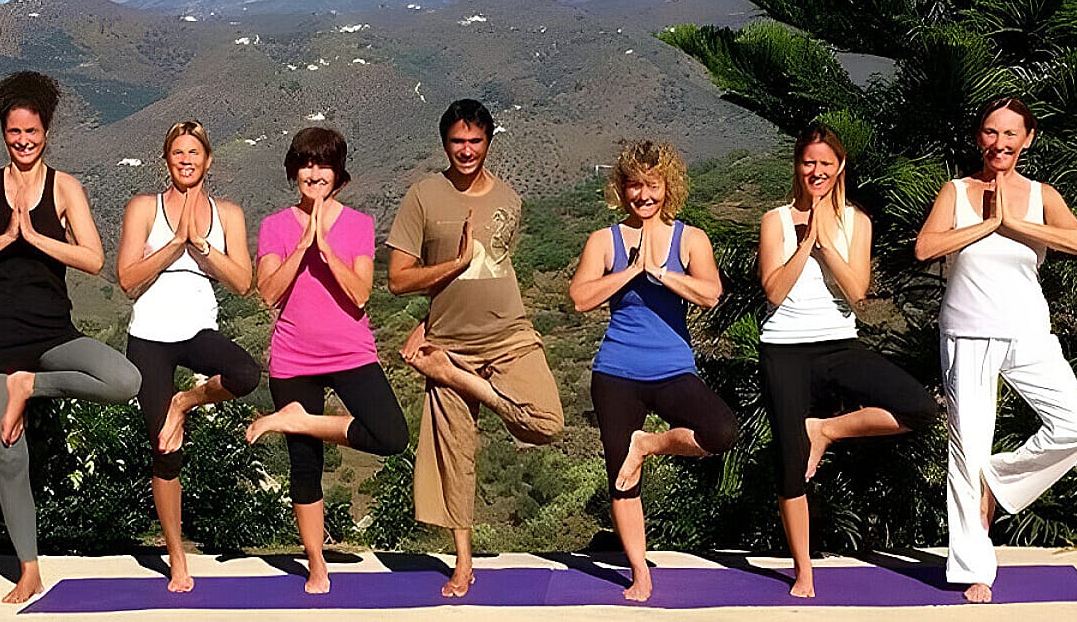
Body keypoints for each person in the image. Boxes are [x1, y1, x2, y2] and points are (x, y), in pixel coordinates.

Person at [0, 71, 141, 603]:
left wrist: (37, 237)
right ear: (3, 133)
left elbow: (93, 259)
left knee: (124, 379)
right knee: (10, 456)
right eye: (14, 133)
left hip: (52, 331)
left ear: (46, 131)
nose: (23, 141)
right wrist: (4, 237)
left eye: (31, 132)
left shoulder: (65, 188)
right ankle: (30, 568)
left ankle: (31, 385)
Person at [915, 97, 1077, 604]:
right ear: (980, 138)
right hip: (967, 331)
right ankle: (974, 567)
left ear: (1028, 139)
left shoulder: (1042, 194)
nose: (1000, 143)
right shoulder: (956, 191)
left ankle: (998, 482)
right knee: (967, 449)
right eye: (991, 133)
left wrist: (1013, 222)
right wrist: (987, 222)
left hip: (1027, 330)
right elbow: (925, 248)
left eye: (1010, 134)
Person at [386, 99, 564, 598]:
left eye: (475, 141)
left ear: (489, 141)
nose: (466, 150)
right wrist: (451, 270)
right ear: (445, 143)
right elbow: (398, 280)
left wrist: (431, 325)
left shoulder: (510, 198)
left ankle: (459, 378)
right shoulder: (423, 196)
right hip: (450, 342)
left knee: (547, 421)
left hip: (509, 333)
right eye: (457, 141)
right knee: (455, 457)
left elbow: (495, 270)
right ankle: (462, 562)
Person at [758, 123, 937, 598]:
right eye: (808, 162)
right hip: (785, 346)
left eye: (826, 163)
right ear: (798, 165)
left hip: (838, 342)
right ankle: (804, 571)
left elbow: (857, 292)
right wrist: (803, 243)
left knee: (919, 407)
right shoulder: (775, 220)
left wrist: (824, 242)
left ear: (840, 168)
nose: (816, 171)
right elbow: (774, 291)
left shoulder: (858, 222)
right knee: (791, 461)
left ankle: (828, 429)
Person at [568, 141, 737, 602]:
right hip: (616, 373)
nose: (643, 194)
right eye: (634, 185)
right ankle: (640, 570)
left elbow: (709, 293)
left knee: (720, 431)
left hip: (673, 369)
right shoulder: (605, 241)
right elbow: (580, 298)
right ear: (622, 190)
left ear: (668, 187)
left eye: (652, 185)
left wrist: (661, 273)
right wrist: (631, 271)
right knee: (621, 476)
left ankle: (648, 445)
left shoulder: (691, 238)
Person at [246, 127, 408, 594]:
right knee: (305, 464)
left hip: (351, 351)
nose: (314, 173)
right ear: (294, 170)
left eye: (323, 165)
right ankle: (316, 563)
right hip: (294, 357)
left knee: (392, 435)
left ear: (338, 173)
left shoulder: (358, 223)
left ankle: (298, 419)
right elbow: (268, 294)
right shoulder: (275, 225)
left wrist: (326, 247)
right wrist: (302, 245)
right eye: (306, 164)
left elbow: (359, 295)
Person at [116, 121, 261, 593]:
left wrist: (200, 245)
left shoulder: (229, 214)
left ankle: (185, 402)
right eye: (177, 152)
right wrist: (174, 243)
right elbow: (126, 277)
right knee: (165, 450)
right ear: (167, 160)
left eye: (194, 152)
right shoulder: (144, 207)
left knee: (245, 372)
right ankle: (177, 558)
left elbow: (243, 282)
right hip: (150, 335)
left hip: (198, 329)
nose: (185, 159)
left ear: (208, 160)